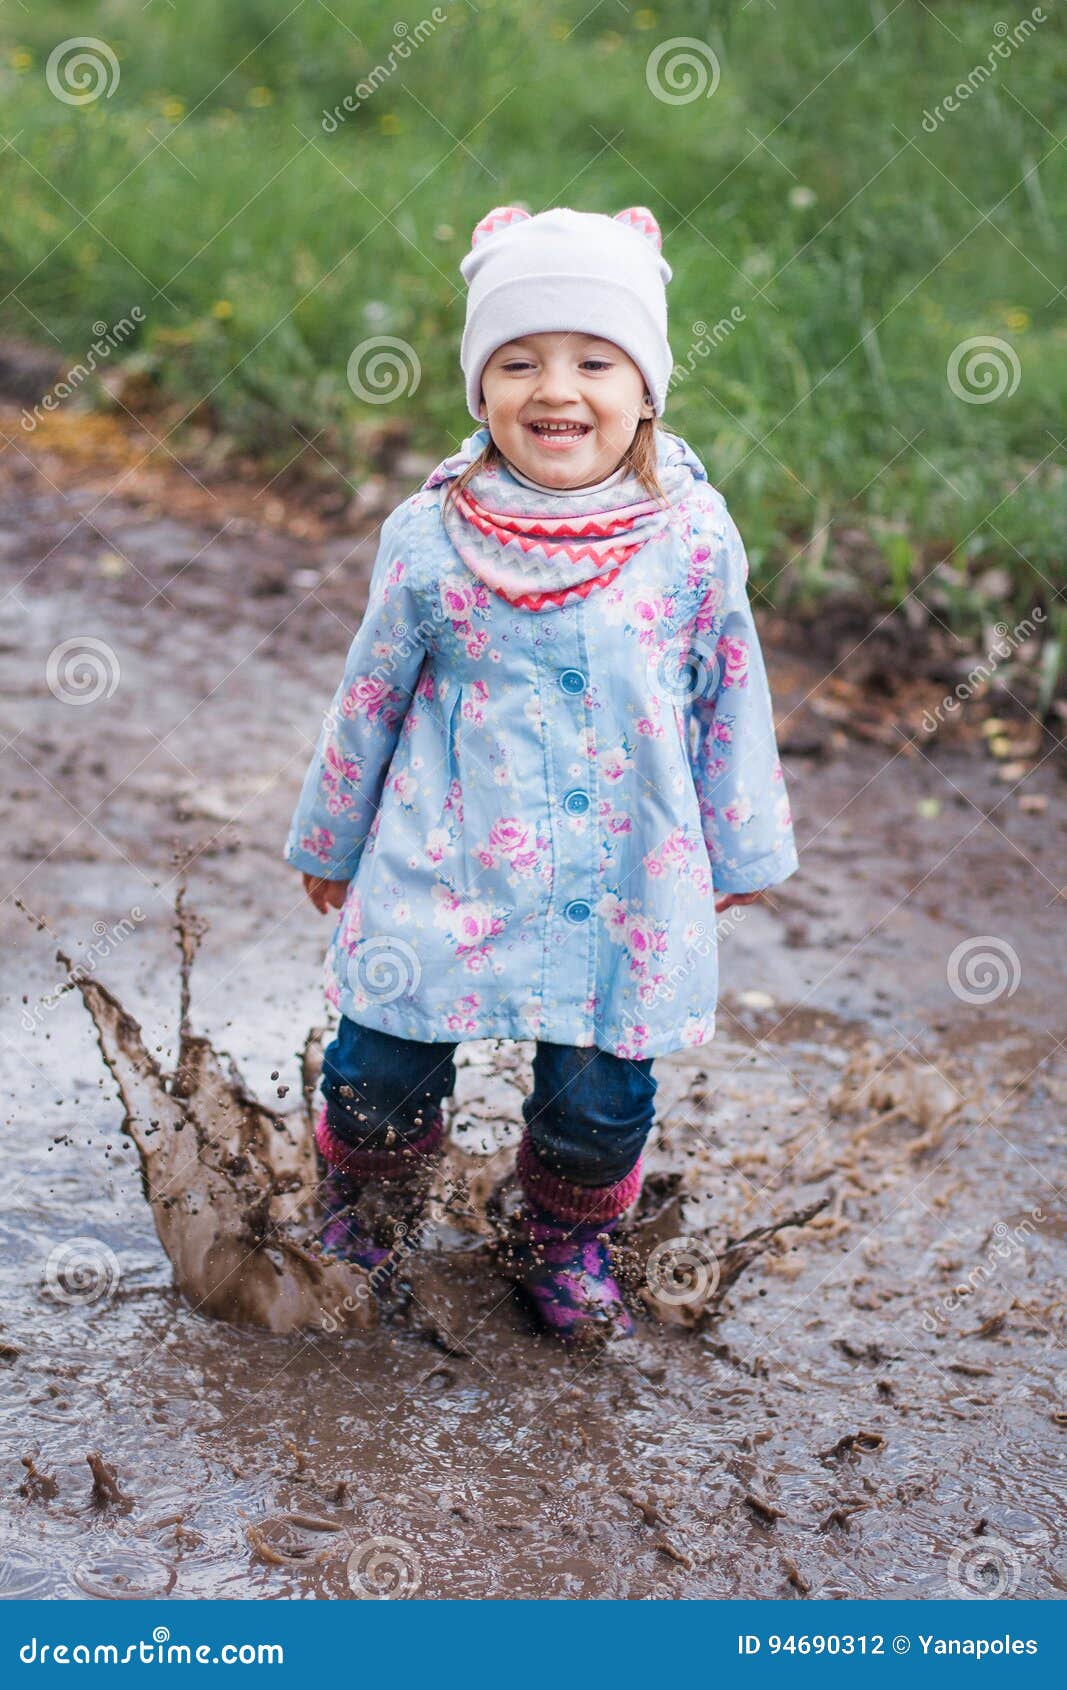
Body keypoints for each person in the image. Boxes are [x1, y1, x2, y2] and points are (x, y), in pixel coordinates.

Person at [284, 204, 798, 1346]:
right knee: (382, 1061)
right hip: (442, 856)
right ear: (479, 389)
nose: (553, 387)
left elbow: (729, 687)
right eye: (516, 360)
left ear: (647, 387)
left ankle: (558, 1240)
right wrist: (330, 841)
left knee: (599, 1098)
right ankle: (365, 1212)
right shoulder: (431, 536)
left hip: (623, 872)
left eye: (592, 358)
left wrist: (738, 844)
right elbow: (368, 694)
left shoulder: (692, 535)